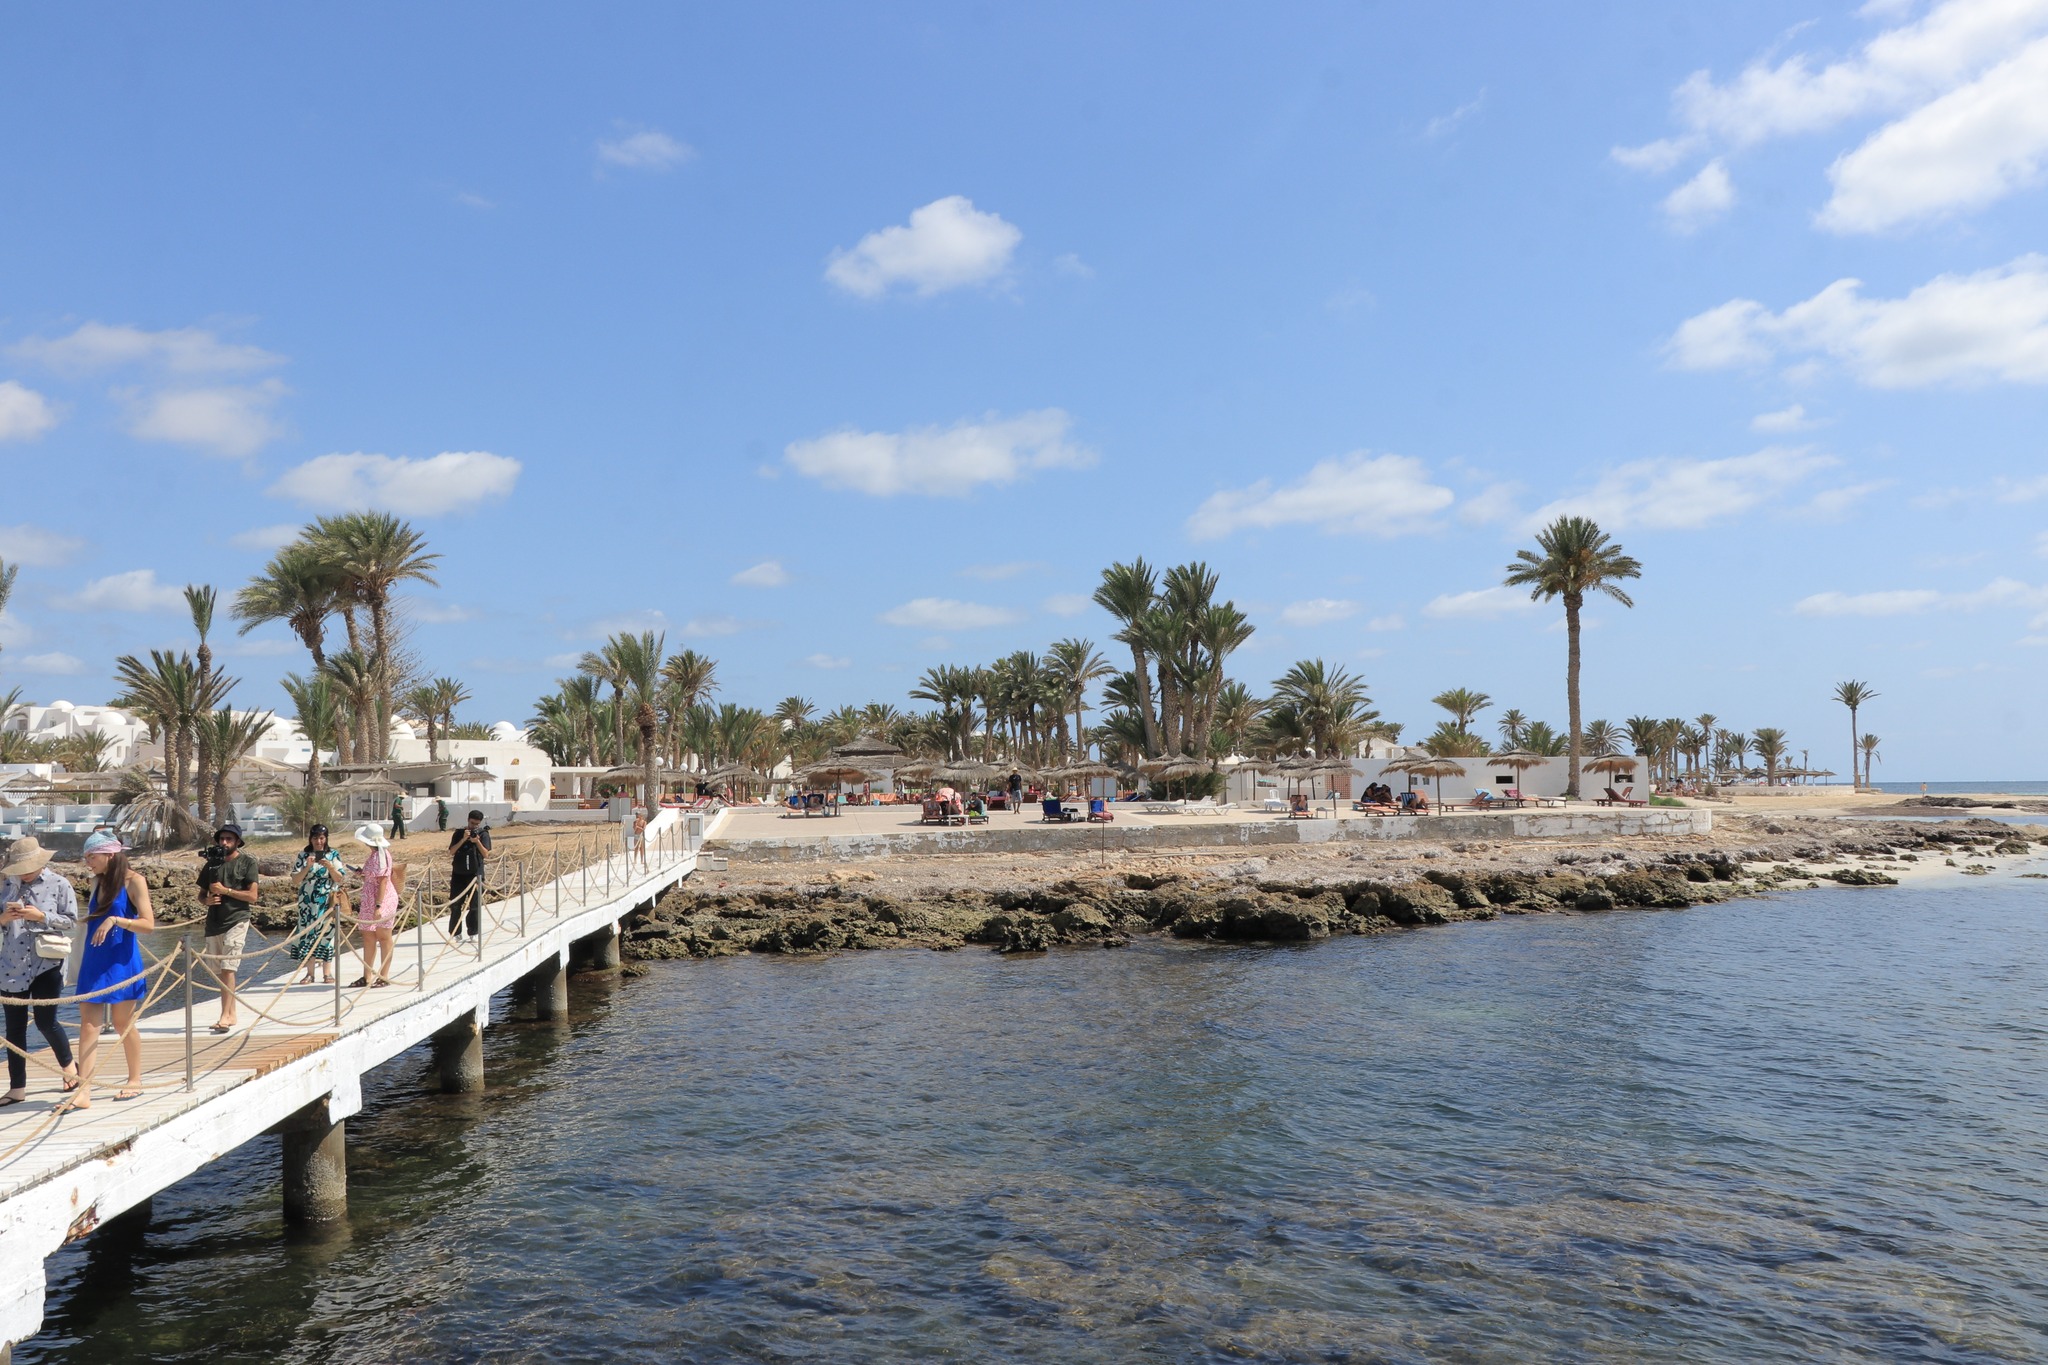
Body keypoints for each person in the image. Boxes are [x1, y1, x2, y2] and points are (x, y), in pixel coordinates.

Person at [58, 832, 155, 1112]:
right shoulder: (96, 881)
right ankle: (84, 1091)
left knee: (123, 1023)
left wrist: (116, 920)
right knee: (88, 1026)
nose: (87, 862)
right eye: (86, 857)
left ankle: (135, 1079)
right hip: (94, 961)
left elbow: (148, 924)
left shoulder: (134, 881)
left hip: (121, 962)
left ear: (109, 855)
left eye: (92, 856)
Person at [0, 837, 78, 1107]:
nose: (23, 873)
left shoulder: (60, 884)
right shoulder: (6, 885)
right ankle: (17, 1088)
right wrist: (4, 919)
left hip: (47, 964)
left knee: (47, 1022)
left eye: (27, 868)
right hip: (11, 965)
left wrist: (41, 917)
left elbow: (71, 921)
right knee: (14, 1031)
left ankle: (69, 1069)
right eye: (19, 869)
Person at [196, 823, 260, 1033]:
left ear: (237, 842)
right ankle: (231, 1013)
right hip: (214, 922)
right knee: (219, 972)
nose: (224, 842)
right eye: (222, 839)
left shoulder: (247, 863)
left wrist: (226, 891)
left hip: (237, 919)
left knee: (228, 968)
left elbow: (252, 896)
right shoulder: (211, 865)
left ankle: (224, 1016)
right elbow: (201, 895)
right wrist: (207, 900)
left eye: (229, 839)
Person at [290, 824, 344, 985]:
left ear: (326, 838)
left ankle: (327, 973)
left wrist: (330, 867)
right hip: (307, 903)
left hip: (327, 901)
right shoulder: (303, 855)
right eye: (315, 838)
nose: (318, 841)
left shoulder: (333, 854)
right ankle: (310, 973)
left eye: (321, 838)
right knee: (308, 934)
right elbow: (295, 880)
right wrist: (307, 866)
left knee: (327, 934)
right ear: (310, 839)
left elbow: (340, 878)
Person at [352, 823, 402, 988]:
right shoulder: (375, 854)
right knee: (368, 935)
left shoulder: (382, 855)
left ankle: (384, 975)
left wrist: (379, 906)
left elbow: (383, 881)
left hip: (381, 898)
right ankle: (367, 976)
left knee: (383, 936)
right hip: (370, 898)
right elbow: (375, 876)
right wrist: (363, 873)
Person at [447, 810, 492, 943]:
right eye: (472, 823)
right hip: (458, 874)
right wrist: (463, 839)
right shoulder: (458, 833)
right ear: (468, 820)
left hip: (475, 875)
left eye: (476, 824)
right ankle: (455, 933)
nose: (474, 827)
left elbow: (486, 854)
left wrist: (477, 842)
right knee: (455, 905)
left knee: (474, 905)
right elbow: (451, 851)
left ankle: (473, 932)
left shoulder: (483, 834)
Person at [631, 806, 648, 872]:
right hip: (636, 835)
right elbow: (634, 829)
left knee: (641, 848)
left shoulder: (644, 822)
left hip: (641, 836)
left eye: (638, 815)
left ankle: (642, 860)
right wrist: (636, 825)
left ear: (641, 816)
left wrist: (638, 827)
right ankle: (635, 859)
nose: (637, 816)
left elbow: (643, 829)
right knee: (636, 848)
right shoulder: (635, 822)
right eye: (636, 815)